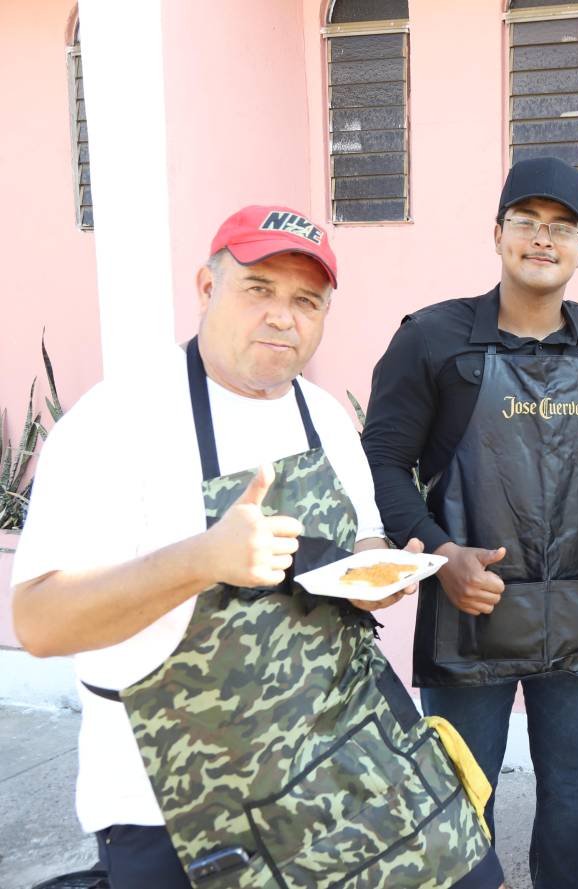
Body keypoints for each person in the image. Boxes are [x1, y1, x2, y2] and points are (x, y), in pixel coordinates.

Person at [10, 205, 501, 888]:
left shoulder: (322, 414)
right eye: (259, 289)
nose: (282, 316)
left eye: (306, 299)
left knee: (471, 866)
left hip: (344, 750)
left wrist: (377, 569)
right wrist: (200, 559)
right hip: (181, 805)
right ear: (207, 289)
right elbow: (38, 621)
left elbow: (361, 534)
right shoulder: (116, 423)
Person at [361, 157, 578, 889]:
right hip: (472, 607)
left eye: (562, 226)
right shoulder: (430, 337)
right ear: (497, 234)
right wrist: (436, 553)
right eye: (527, 222)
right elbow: (384, 463)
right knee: (460, 793)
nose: (543, 239)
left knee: (571, 790)